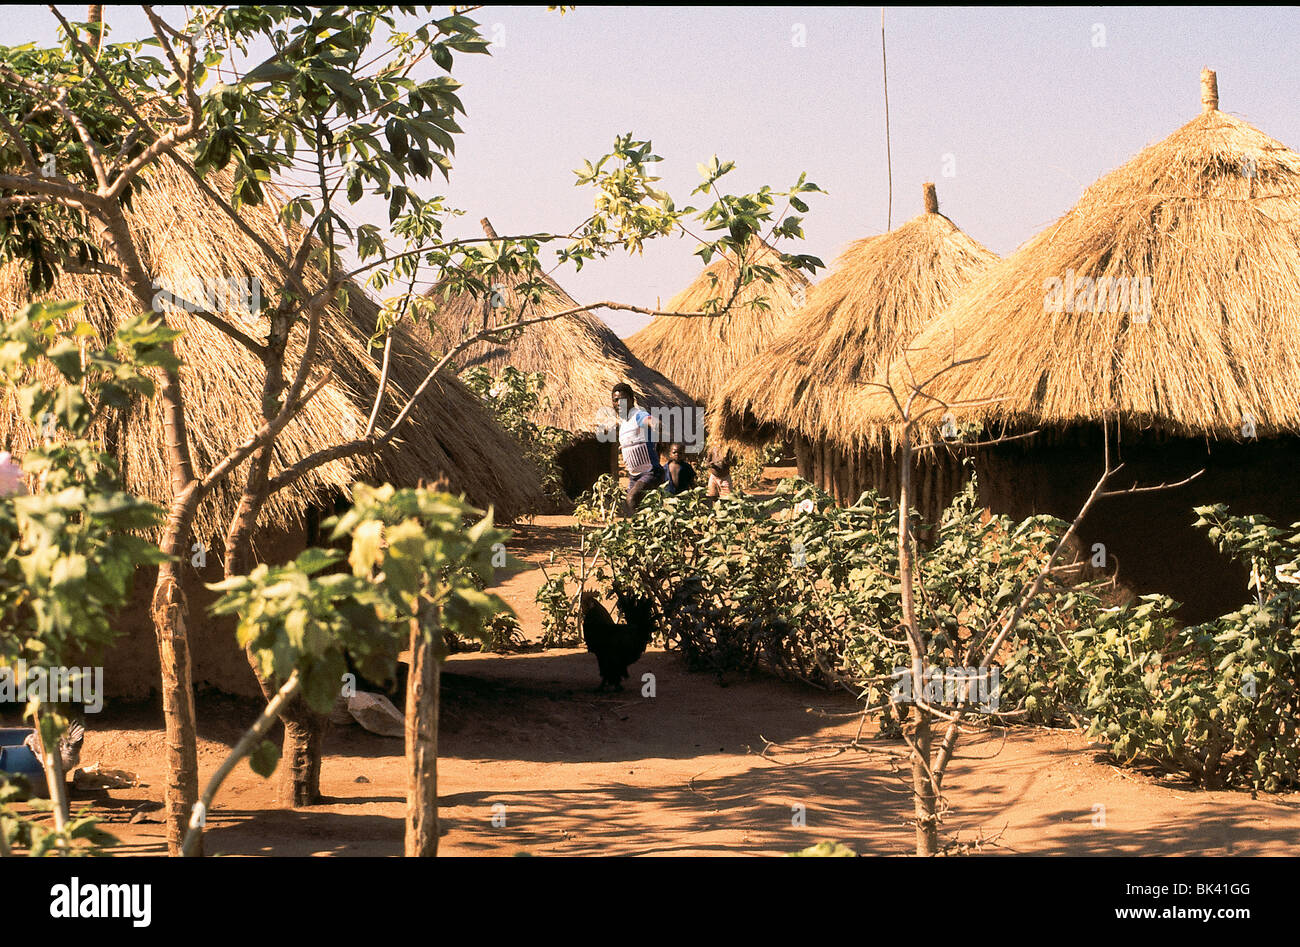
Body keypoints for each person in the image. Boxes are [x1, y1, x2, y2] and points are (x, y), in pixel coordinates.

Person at [612, 383, 661, 513]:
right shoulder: (623, 424)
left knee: (631, 499)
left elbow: (650, 420)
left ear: (631, 400)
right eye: (615, 400)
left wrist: (655, 424)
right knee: (629, 508)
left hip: (650, 473)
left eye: (622, 399)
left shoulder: (638, 415)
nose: (618, 403)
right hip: (634, 476)